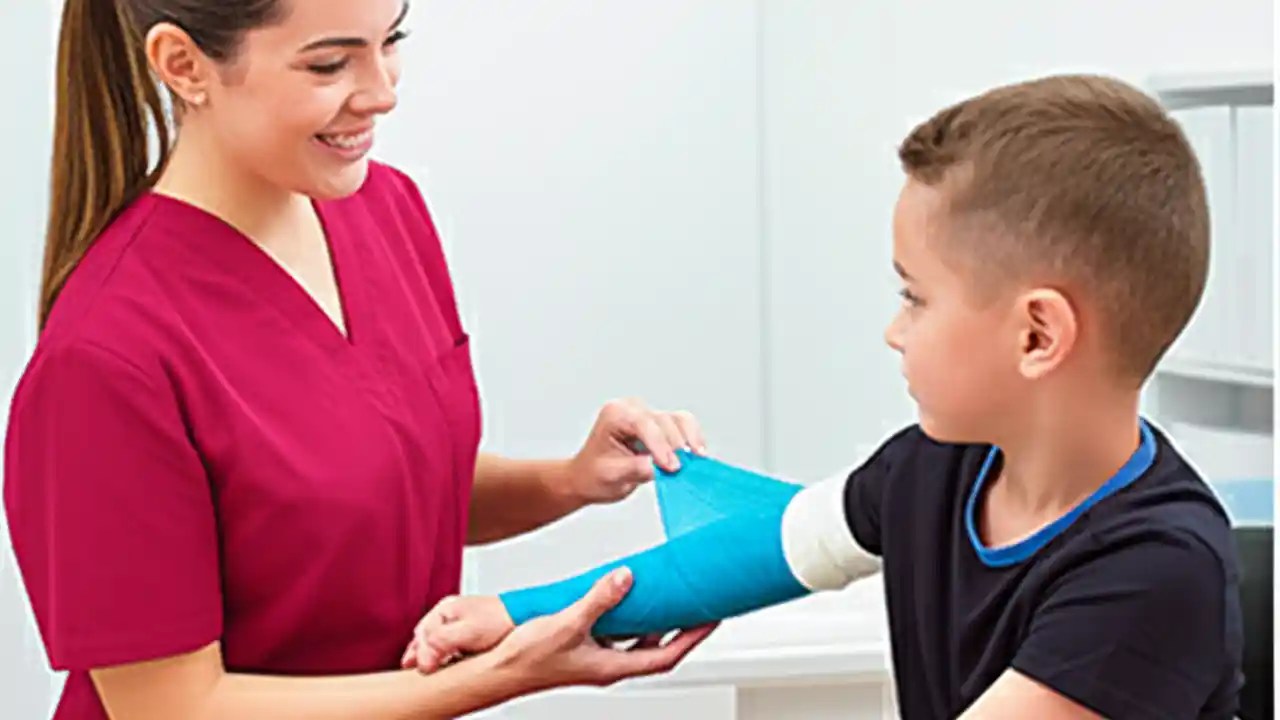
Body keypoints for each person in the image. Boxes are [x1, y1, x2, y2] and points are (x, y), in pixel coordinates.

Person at [407, 74, 1245, 719]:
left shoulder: (1154, 571)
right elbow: (761, 548)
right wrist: (514, 616)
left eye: (915, 297)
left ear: (1036, 336)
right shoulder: (934, 468)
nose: (895, 330)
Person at [2, 1, 718, 718]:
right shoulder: (105, 359)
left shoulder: (386, 210)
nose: (383, 91)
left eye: (391, 41)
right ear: (183, 66)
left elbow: (373, 495)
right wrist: (502, 673)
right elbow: (173, 709)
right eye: (330, 63)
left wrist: (569, 480)